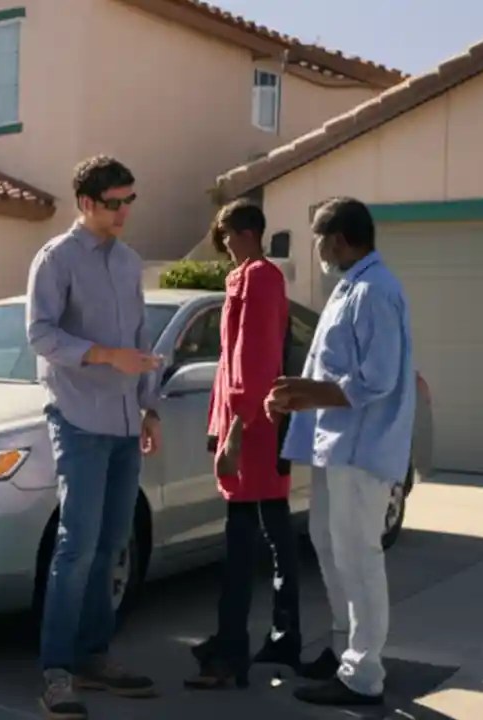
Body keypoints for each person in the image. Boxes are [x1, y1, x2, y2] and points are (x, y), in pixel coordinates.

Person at [26, 155, 163, 720]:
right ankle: (56, 673)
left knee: (112, 546)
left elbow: (140, 334)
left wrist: (149, 406)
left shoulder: (130, 262)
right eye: (114, 203)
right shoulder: (55, 259)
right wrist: (106, 357)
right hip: (79, 419)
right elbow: (39, 333)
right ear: (86, 203)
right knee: (76, 547)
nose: (124, 211)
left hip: (127, 423)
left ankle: (93, 655)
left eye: (130, 199)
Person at [267, 196, 416, 707]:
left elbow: (378, 379)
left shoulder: (375, 290)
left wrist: (307, 394)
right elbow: (331, 367)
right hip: (338, 446)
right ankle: (343, 649)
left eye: (318, 238)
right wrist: (298, 388)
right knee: (328, 546)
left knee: (359, 556)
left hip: (363, 450)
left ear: (337, 239)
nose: (317, 249)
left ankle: (363, 674)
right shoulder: (349, 286)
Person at [184, 199, 301, 690]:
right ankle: (283, 638)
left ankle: (230, 653)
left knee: (239, 546)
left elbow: (251, 361)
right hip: (253, 424)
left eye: (228, 236)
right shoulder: (255, 278)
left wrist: (234, 427)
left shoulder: (256, 277)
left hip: (251, 429)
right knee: (274, 535)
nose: (225, 247)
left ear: (246, 231)